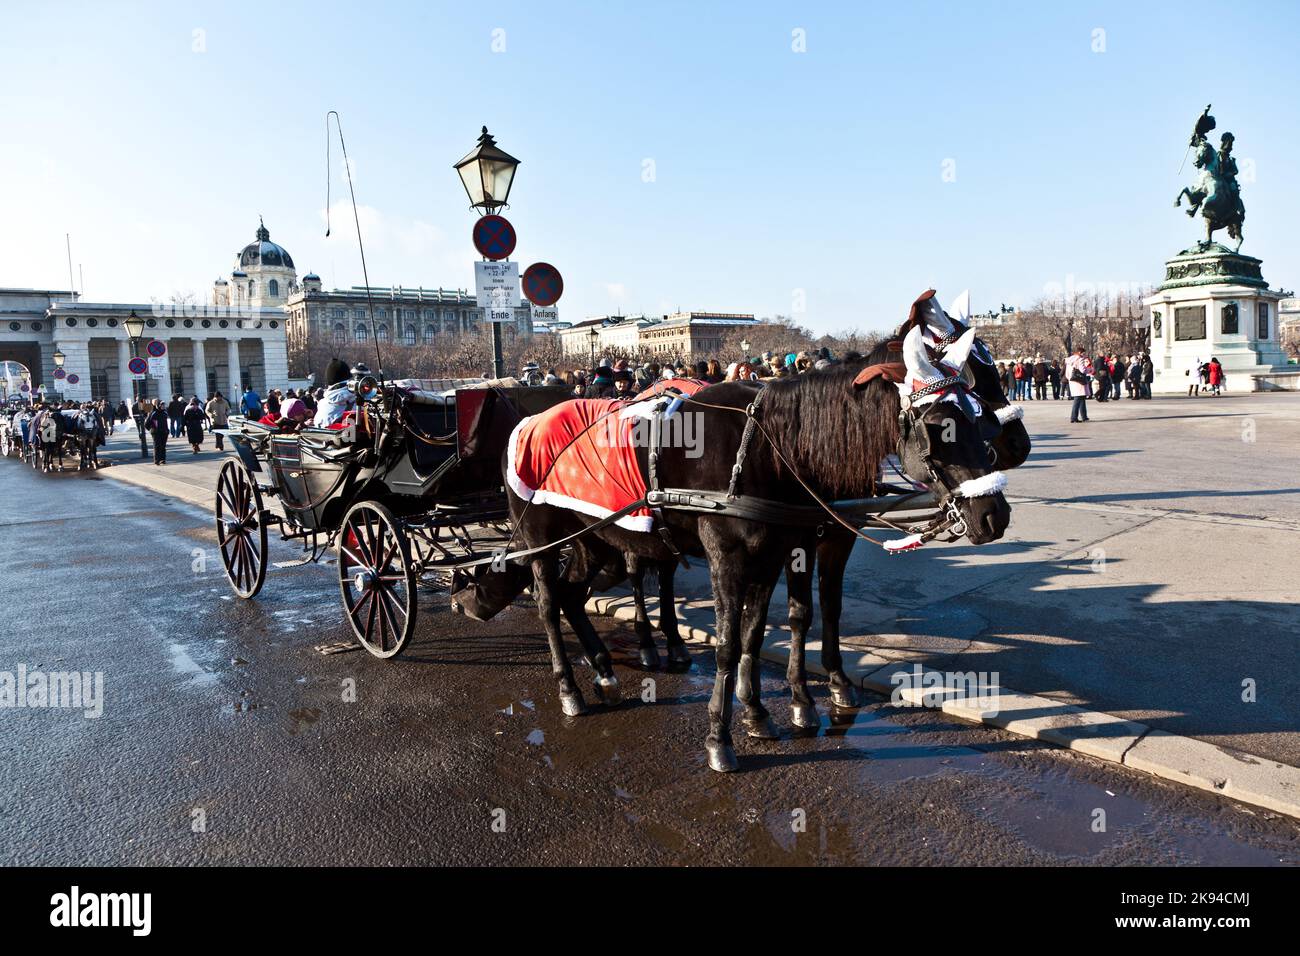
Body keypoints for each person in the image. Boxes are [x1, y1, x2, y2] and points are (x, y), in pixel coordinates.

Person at [1065, 347, 1091, 423]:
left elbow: (1067, 374)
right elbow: (1083, 370)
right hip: (1079, 381)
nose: (1084, 355)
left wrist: (1070, 378)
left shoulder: (1070, 360)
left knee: (1081, 398)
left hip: (1073, 381)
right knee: (1078, 399)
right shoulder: (1080, 359)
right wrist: (1089, 370)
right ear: (1080, 352)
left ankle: (1084, 416)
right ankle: (1074, 417)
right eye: (1083, 353)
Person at [143, 398, 170, 464]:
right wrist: (152, 429)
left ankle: (163, 459)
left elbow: (166, 422)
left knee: (163, 446)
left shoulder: (165, 413)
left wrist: (167, 430)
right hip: (156, 432)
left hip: (164, 432)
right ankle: (157, 460)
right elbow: (147, 423)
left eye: (164, 405)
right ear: (159, 406)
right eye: (162, 405)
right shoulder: (153, 413)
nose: (163, 406)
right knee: (157, 446)